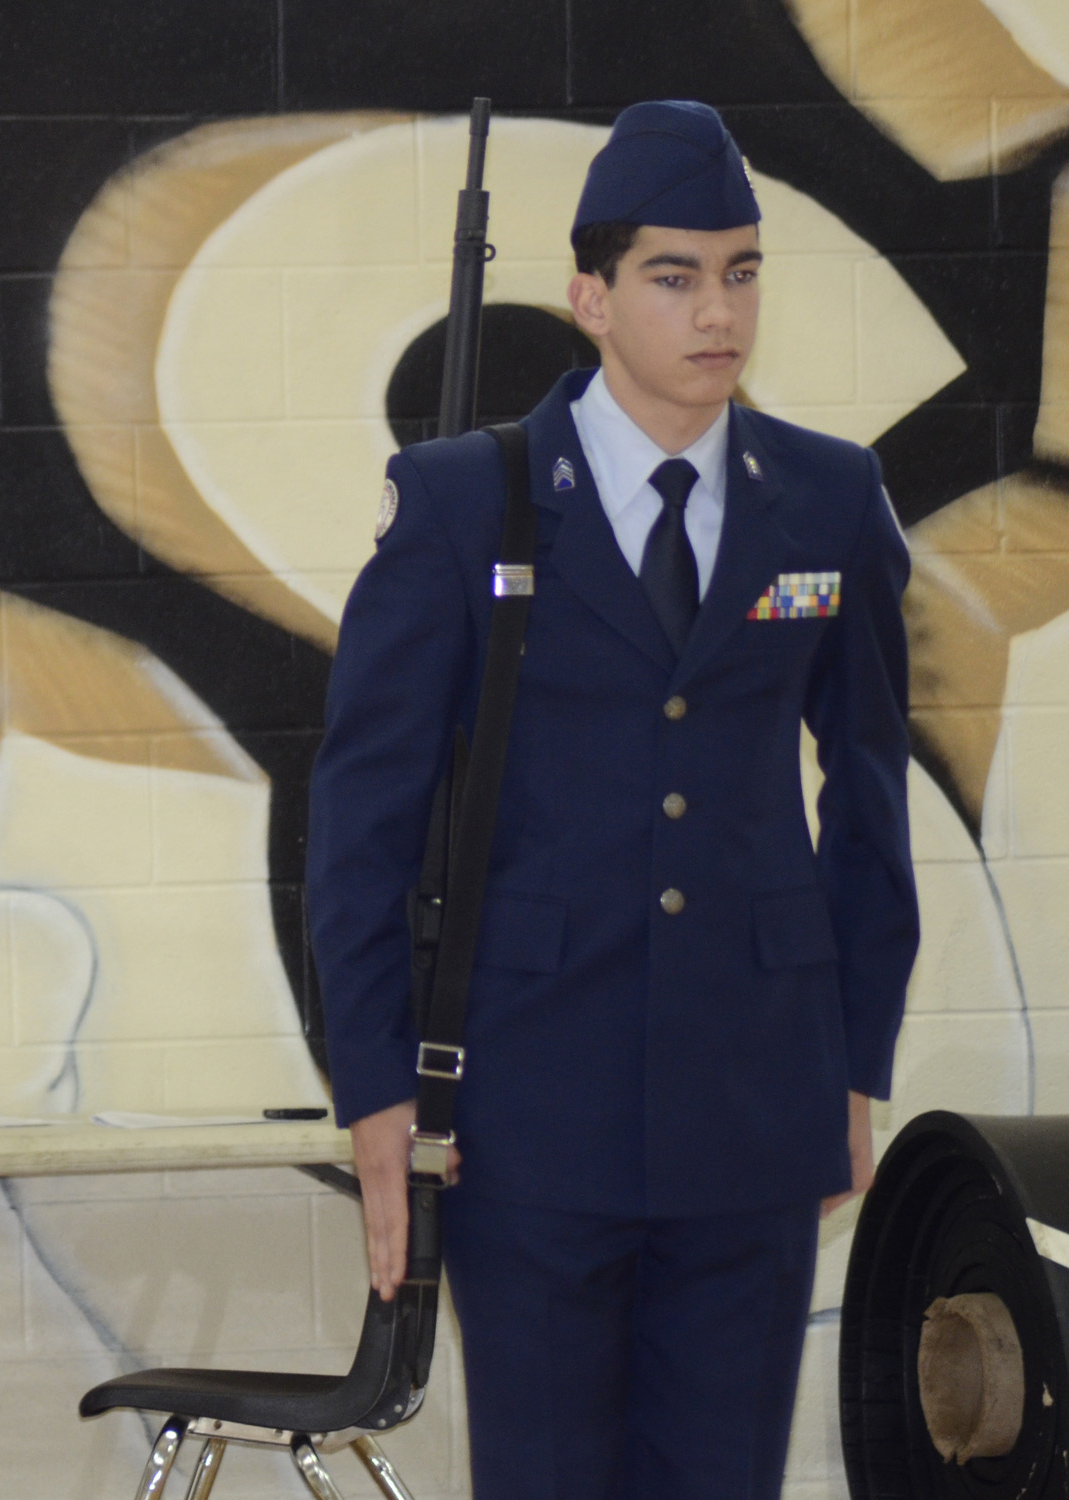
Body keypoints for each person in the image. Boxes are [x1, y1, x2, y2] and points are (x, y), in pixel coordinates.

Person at [307, 101, 917, 1498]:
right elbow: (362, 821)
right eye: (675, 275)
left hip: (756, 1105)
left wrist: (856, 1058)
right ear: (589, 297)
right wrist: (375, 1085)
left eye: (742, 272)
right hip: (533, 1109)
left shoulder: (824, 501)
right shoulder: (469, 504)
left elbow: (868, 786)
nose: (719, 311)